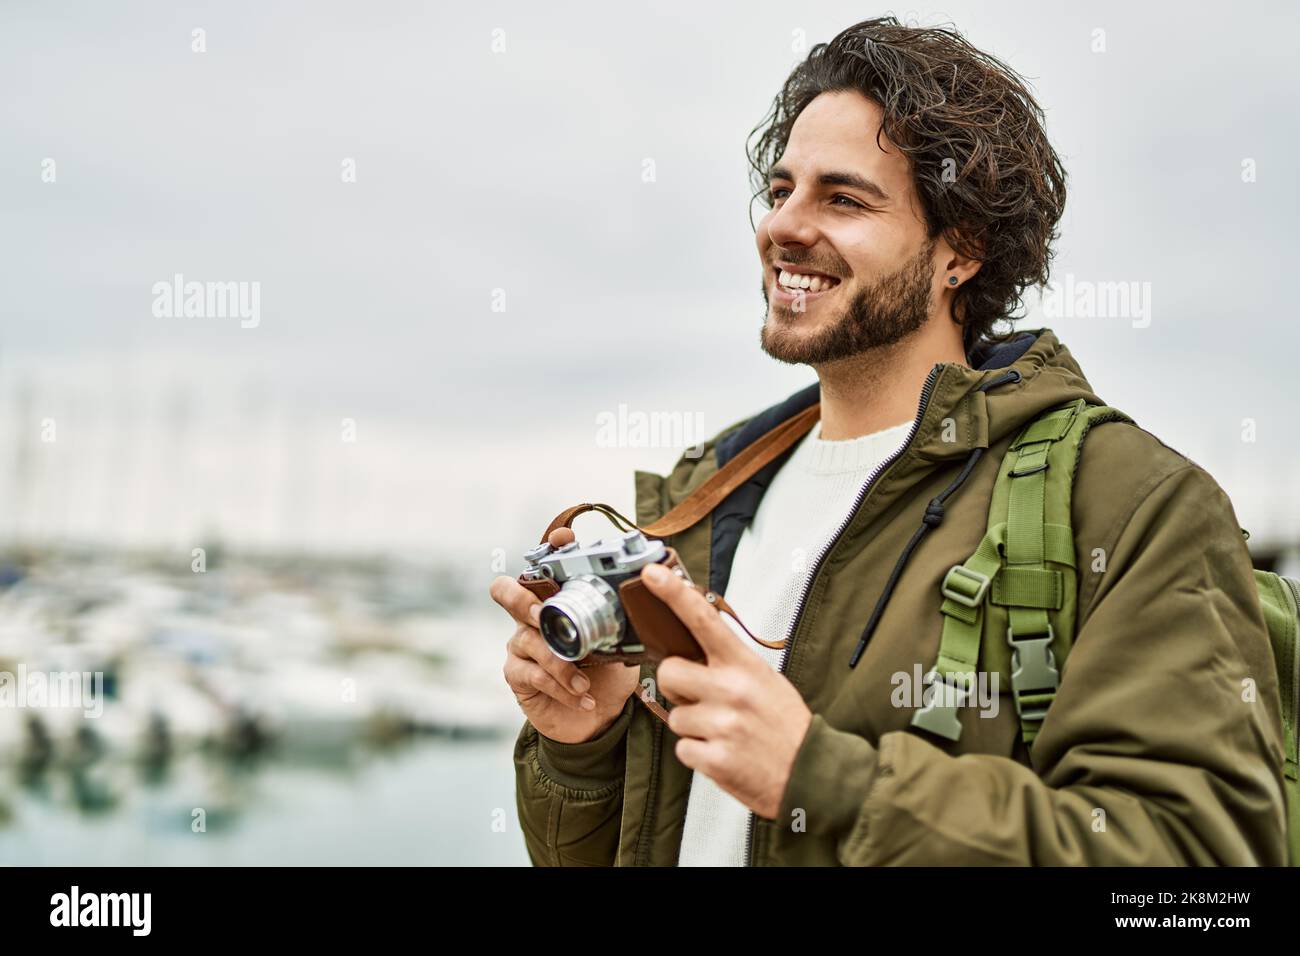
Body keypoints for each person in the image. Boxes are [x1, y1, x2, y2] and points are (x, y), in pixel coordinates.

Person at [489, 17, 1288, 866]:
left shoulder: (1131, 503)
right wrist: (585, 748)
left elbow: (1201, 872)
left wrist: (822, 779)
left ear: (963, 250)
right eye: (781, 189)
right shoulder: (706, 500)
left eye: (844, 198)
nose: (784, 228)